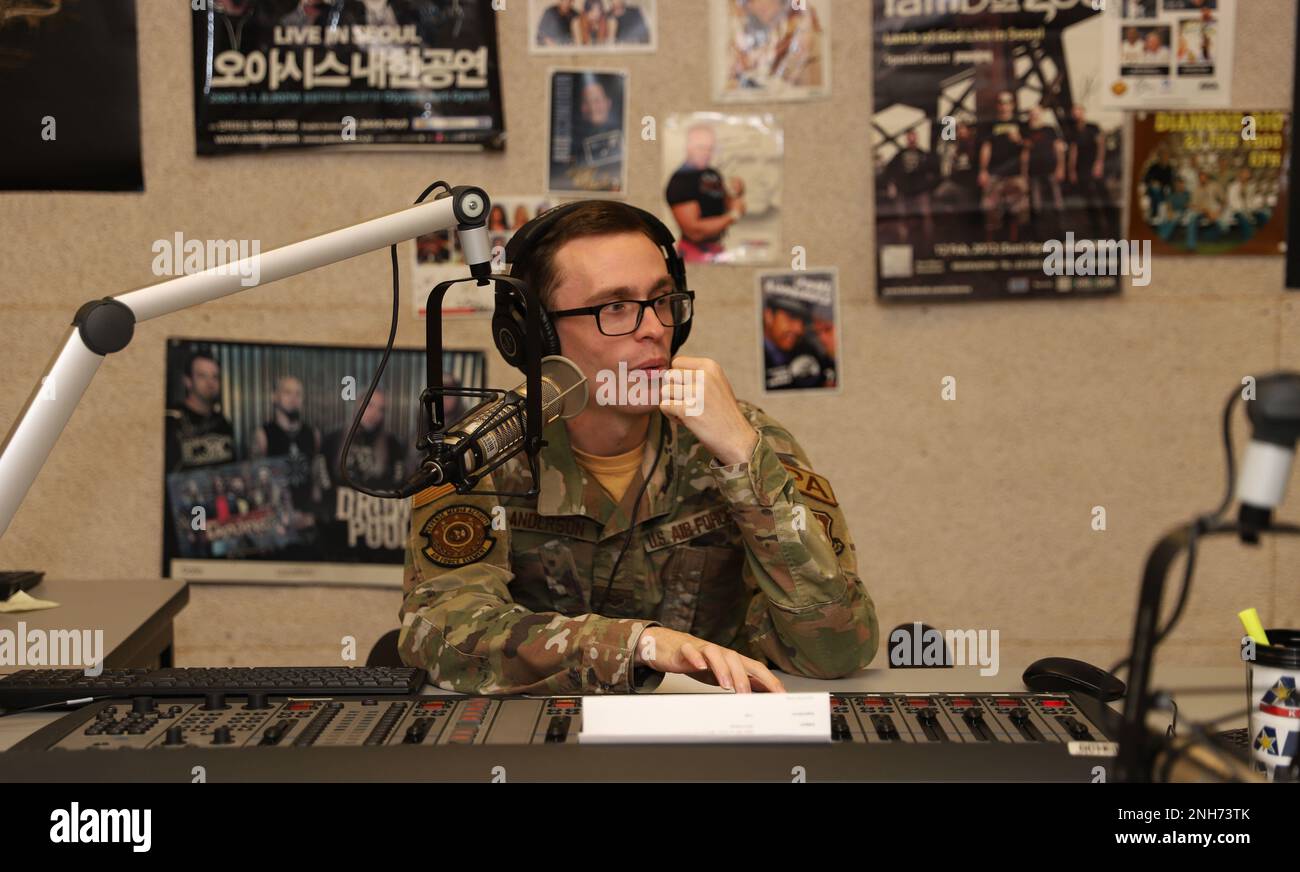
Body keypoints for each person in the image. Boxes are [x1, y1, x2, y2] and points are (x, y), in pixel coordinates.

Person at [398, 201, 878, 694]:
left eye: (662, 299)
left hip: (715, 747)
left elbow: (836, 651)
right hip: (540, 751)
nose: (654, 328)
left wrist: (741, 457)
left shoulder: (745, 438)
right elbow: (441, 636)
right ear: (536, 335)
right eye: (616, 307)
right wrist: (637, 645)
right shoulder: (482, 456)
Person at [665, 123, 746, 262]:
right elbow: (695, 231)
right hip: (693, 253)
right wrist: (733, 215)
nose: (706, 153)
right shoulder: (680, 182)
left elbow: (723, 202)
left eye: (710, 149)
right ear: (688, 146)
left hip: (718, 249)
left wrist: (736, 192)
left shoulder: (711, 173)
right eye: (701, 148)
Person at [978, 91, 1029, 243]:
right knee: (991, 213)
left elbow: (1028, 148)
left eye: (1007, 102)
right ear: (997, 106)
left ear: (1012, 105)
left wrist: (1019, 140)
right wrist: (983, 171)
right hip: (994, 174)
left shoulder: (1022, 123)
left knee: (1019, 213)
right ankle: (993, 247)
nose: (1004, 105)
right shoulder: (990, 124)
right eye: (1001, 102)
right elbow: (986, 148)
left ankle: (1017, 245)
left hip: (1016, 175)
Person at [762, 297, 835, 390]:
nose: (799, 329)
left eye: (804, 321)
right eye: (791, 317)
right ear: (769, 316)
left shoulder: (809, 351)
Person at [884, 129, 939, 249]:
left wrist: (929, 186)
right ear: (906, 138)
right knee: (902, 217)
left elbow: (935, 171)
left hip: (920, 191)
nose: (912, 139)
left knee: (926, 216)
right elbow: (888, 171)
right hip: (903, 191)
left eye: (913, 136)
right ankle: (903, 243)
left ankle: (929, 244)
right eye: (909, 136)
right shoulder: (899, 155)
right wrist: (891, 185)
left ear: (916, 138)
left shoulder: (923, 154)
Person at [1066, 103, 1113, 239]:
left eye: (1078, 111)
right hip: (1081, 169)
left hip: (1094, 165)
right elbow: (1073, 152)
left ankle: (1112, 224)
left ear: (1083, 112)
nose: (1076, 114)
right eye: (1074, 112)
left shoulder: (1093, 127)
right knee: (1088, 199)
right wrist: (1072, 170)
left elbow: (1101, 145)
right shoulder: (1072, 131)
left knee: (1103, 195)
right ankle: (1096, 229)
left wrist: (1099, 164)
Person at [1023, 106, 1065, 241]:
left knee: (1056, 198)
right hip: (1034, 170)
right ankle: (1038, 233)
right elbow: (1025, 153)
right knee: (1036, 200)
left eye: (1036, 114)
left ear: (1040, 114)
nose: (1034, 116)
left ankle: (1060, 228)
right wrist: (1024, 173)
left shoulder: (1049, 129)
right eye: (1032, 114)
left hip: (1051, 168)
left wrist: (1060, 167)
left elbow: (1058, 149)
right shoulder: (1027, 131)